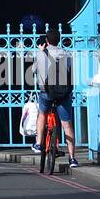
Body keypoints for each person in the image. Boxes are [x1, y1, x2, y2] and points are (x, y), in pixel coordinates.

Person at [32, 28, 78, 168]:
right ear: (59, 39)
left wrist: (40, 52)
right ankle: (72, 159)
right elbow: (71, 72)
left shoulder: (41, 54)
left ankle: (39, 143)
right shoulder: (67, 54)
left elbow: (33, 70)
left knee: (42, 114)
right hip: (63, 94)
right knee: (67, 124)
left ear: (46, 40)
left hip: (47, 93)